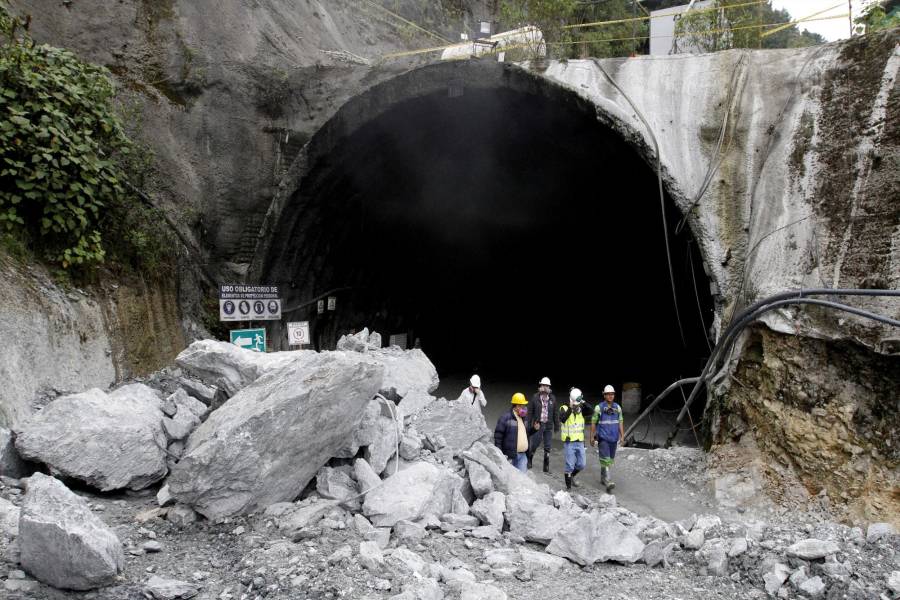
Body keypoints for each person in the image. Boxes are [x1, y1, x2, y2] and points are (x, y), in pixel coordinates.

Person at [590, 384, 625, 492]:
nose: (610, 396)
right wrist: (592, 437)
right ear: (604, 395)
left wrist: (622, 436)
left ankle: (603, 478)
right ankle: (608, 480)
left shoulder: (617, 408)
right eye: (608, 394)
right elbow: (593, 422)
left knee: (609, 460)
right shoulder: (599, 408)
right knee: (605, 459)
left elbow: (620, 422)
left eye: (612, 394)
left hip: (613, 439)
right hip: (603, 438)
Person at [527, 377, 559, 473]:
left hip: (548, 425)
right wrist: (529, 425)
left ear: (549, 387)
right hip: (538, 424)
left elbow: (555, 412)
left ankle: (546, 466)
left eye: (547, 386)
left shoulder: (552, 398)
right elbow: (530, 411)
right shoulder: (535, 397)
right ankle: (530, 459)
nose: (545, 388)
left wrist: (556, 425)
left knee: (548, 446)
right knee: (535, 443)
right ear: (540, 386)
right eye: (543, 385)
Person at [558, 388, 587, 490]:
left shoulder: (581, 409)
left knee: (582, 464)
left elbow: (591, 410)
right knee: (569, 465)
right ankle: (568, 488)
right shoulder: (564, 408)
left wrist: (582, 401)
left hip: (579, 441)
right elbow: (562, 419)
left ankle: (573, 476)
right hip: (569, 442)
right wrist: (570, 407)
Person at [494, 393, 530, 472]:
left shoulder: (525, 418)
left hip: (523, 455)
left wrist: (535, 429)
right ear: (516, 406)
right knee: (511, 481)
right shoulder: (505, 418)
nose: (524, 408)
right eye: (521, 405)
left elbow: (526, 434)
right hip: (510, 456)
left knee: (522, 480)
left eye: (524, 405)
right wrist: (500, 455)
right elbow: (498, 437)